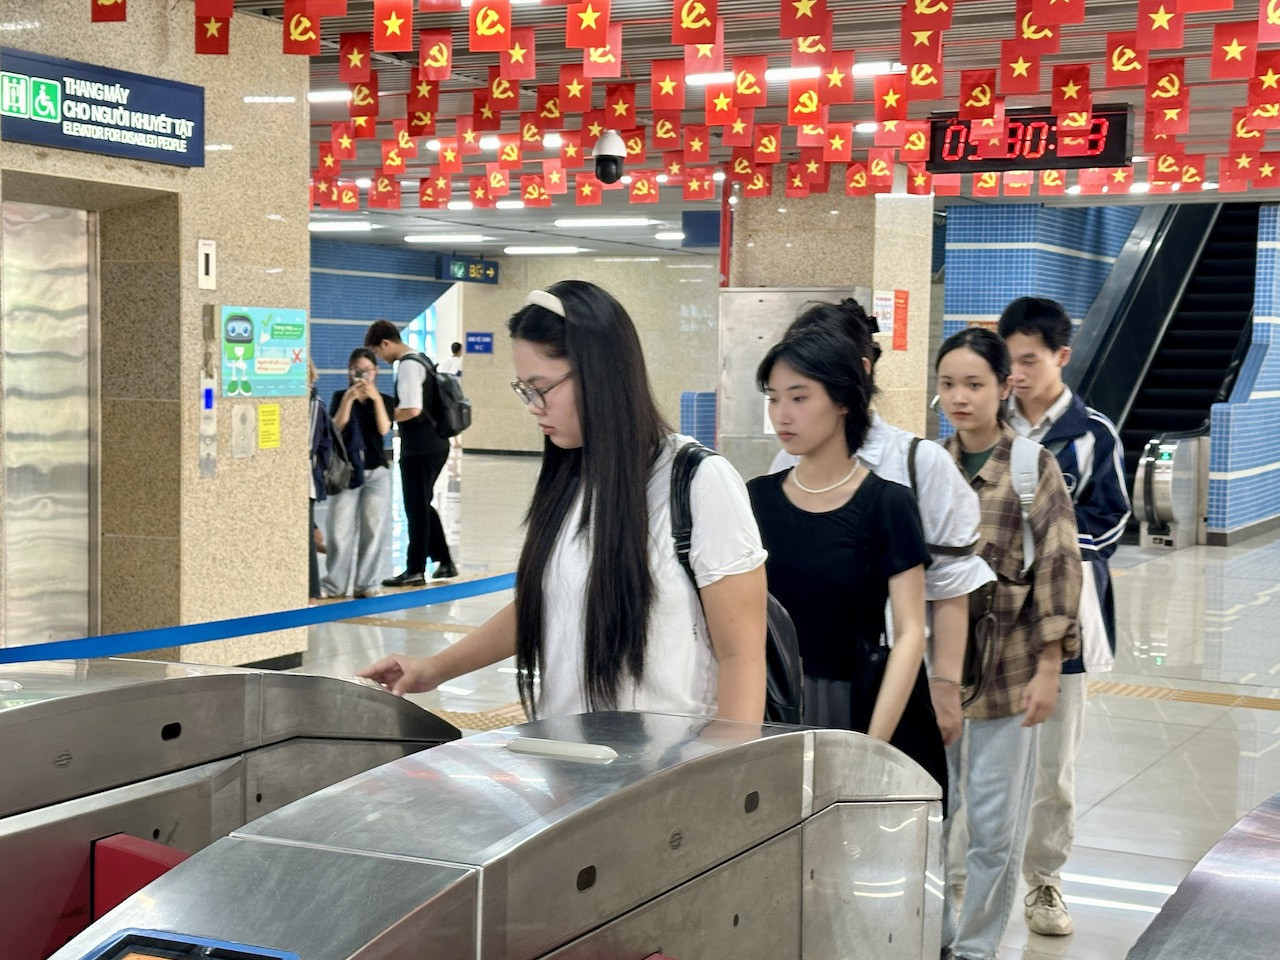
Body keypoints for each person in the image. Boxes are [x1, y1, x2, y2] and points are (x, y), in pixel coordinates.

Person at [360, 281, 768, 722]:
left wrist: (731, 775)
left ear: (599, 374)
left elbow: (742, 656)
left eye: (541, 387)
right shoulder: (571, 478)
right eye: (524, 390)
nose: (533, 406)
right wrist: (436, 667)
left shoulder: (698, 482)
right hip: (571, 767)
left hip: (674, 770)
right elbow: (546, 601)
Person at [769, 299, 994, 749]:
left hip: (894, 680)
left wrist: (946, 685)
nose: (784, 410)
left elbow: (952, 584)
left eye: (801, 391)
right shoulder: (782, 469)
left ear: (855, 374)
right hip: (799, 686)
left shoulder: (917, 464)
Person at [749, 317, 947, 800]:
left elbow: (908, 635)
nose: (782, 415)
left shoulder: (887, 504)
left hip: (852, 704)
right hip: (769, 706)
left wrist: (872, 747)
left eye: (799, 397)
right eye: (773, 398)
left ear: (842, 401)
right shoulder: (754, 499)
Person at [935, 327, 1082, 960]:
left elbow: (1059, 563)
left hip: (1008, 672)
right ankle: (935, 936)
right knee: (937, 820)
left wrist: (1050, 665)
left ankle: (973, 949)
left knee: (993, 830)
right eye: (947, 384)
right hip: (935, 676)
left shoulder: (1030, 466)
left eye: (974, 384)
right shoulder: (928, 464)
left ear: (1004, 387)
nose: (959, 398)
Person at [998, 296, 1132, 937]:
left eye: (1030, 360)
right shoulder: (983, 422)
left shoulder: (1092, 434)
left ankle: (1044, 881)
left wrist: (1046, 549)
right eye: (1009, 360)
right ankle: (966, 877)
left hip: (1065, 623)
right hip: (989, 624)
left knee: (1054, 764)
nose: (1016, 373)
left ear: (1061, 356)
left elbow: (1112, 519)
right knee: (980, 757)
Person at [363, 319, 457, 585]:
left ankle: (415, 570)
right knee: (422, 505)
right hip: (435, 442)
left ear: (386, 343)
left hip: (420, 447)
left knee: (415, 508)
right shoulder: (422, 359)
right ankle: (445, 561)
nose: (380, 359)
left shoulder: (407, 365)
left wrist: (382, 414)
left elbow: (412, 409)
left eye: (378, 352)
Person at [320, 347, 396, 599]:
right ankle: (335, 585)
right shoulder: (341, 396)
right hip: (346, 473)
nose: (362, 376)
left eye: (367, 371)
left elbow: (385, 429)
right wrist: (349, 400)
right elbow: (336, 427)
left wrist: (374, 399)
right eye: (357, 371)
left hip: (377, 472)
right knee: (339, 531)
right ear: (349, 372)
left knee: (373, 530)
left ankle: (366, 584)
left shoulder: (384, 399)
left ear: (376, 372)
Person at [307, 357, 334, 601]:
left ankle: (312, 592)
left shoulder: (314, 402)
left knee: (307, 538)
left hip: (307, 480)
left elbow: (307, 445)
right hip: (300, 480)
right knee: (307, 532)